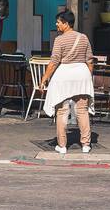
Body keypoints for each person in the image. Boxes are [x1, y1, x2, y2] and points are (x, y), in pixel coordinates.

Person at [40, 10, 95, 155]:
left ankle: (62, 145)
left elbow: (54, 62)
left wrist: (44, 79)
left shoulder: (59, 40)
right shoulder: (83, 38)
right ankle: (86, 145)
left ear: (66, 23)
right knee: (82, 111)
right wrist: (87, 77)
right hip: (82, 75)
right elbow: (90, 60)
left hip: (64, 77)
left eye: (58, 22)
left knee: (62, 112)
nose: (56, 24)